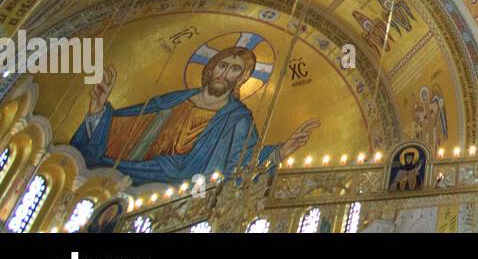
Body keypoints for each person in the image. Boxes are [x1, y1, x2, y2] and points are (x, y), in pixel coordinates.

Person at [70, 50, 317, 186]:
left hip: (190, 192)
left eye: (234, 69)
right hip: (134, 175)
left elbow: (241, 162)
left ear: (240, 79)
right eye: (222, 65)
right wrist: (98, 109)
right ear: (210, 69)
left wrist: (281, 151)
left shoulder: (237, 119)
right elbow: (127, 127)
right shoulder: (174, 100)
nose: (225, 73)